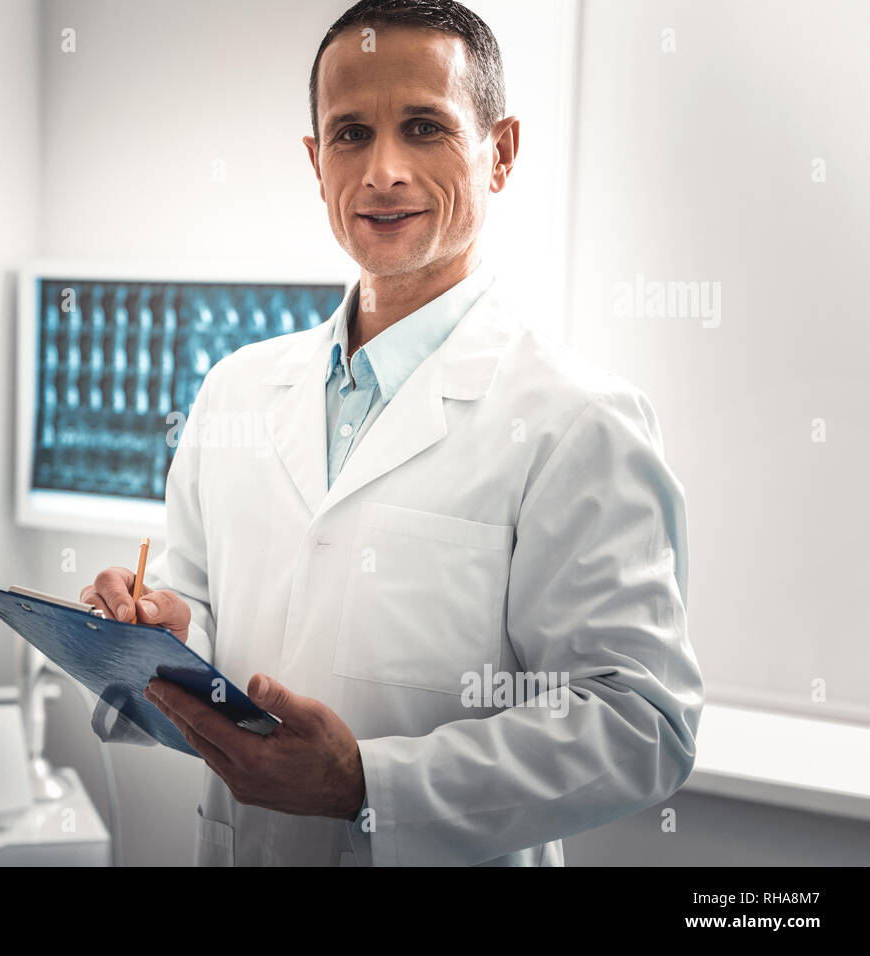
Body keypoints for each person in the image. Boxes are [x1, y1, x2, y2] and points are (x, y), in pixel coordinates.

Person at [81, 0, 702, 866]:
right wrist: (163, 639)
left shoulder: (577, 421)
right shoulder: (235, 391)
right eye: (349, 134)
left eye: (423, 127)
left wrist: (367, 785)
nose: (382, 172)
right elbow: (212, 621)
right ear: (315, 162)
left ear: (503, 153)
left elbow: (642, 724)